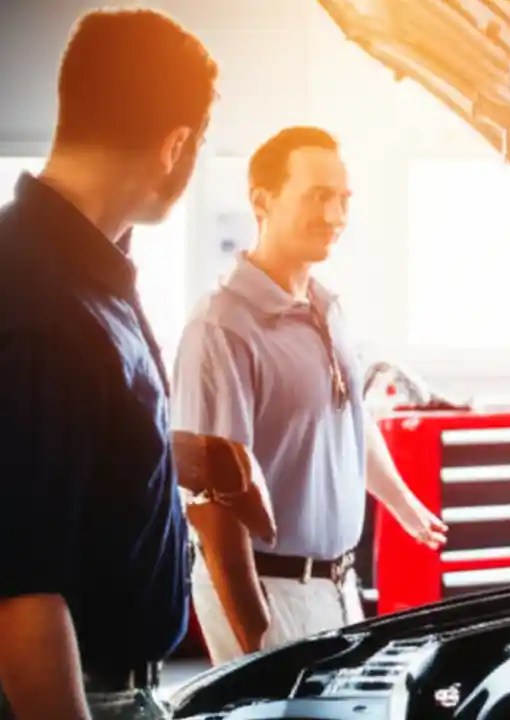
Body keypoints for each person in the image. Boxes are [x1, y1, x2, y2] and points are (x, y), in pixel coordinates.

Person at [0, 9, 217, 719]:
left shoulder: (82, 270)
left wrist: (176, 457)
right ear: (174, 143)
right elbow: (20, 585)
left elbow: (65, 456)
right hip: (80, 692)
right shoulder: (34, 297)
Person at [172, 126, 449, 665]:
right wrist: (256, 639)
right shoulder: (221, 327)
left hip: (337, 586)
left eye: (343, 199)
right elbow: (214, 504)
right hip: (269, 590)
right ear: (262, 199)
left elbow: (349, 416)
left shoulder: (327, 307)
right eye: (317, 196)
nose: (336, 216)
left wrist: (404, 505)